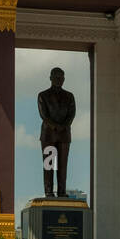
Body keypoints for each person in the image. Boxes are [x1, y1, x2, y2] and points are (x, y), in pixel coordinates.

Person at [37, 67, 75, 198]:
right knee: (49, 164)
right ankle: (48, 191)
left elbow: (72, 114)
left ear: (64, 79)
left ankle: (61, 191)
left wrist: (63, 126)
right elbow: (43, 114)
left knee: (63, 165)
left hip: (64, 135)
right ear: (50, 78)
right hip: (48, 134)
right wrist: (56, 127)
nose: (59, 80)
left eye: (61, 77)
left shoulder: (69, 96)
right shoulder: (43, 95)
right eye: (56, 77)